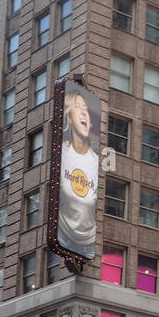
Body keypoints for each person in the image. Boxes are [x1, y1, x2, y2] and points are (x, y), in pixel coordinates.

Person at [57, 88, 99, 261]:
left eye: (86, 108)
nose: (84, 112)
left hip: (89, 245)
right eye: (77, 107)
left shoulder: (96, 161)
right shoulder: (61, 154)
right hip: (62, 237)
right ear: (69, 117)